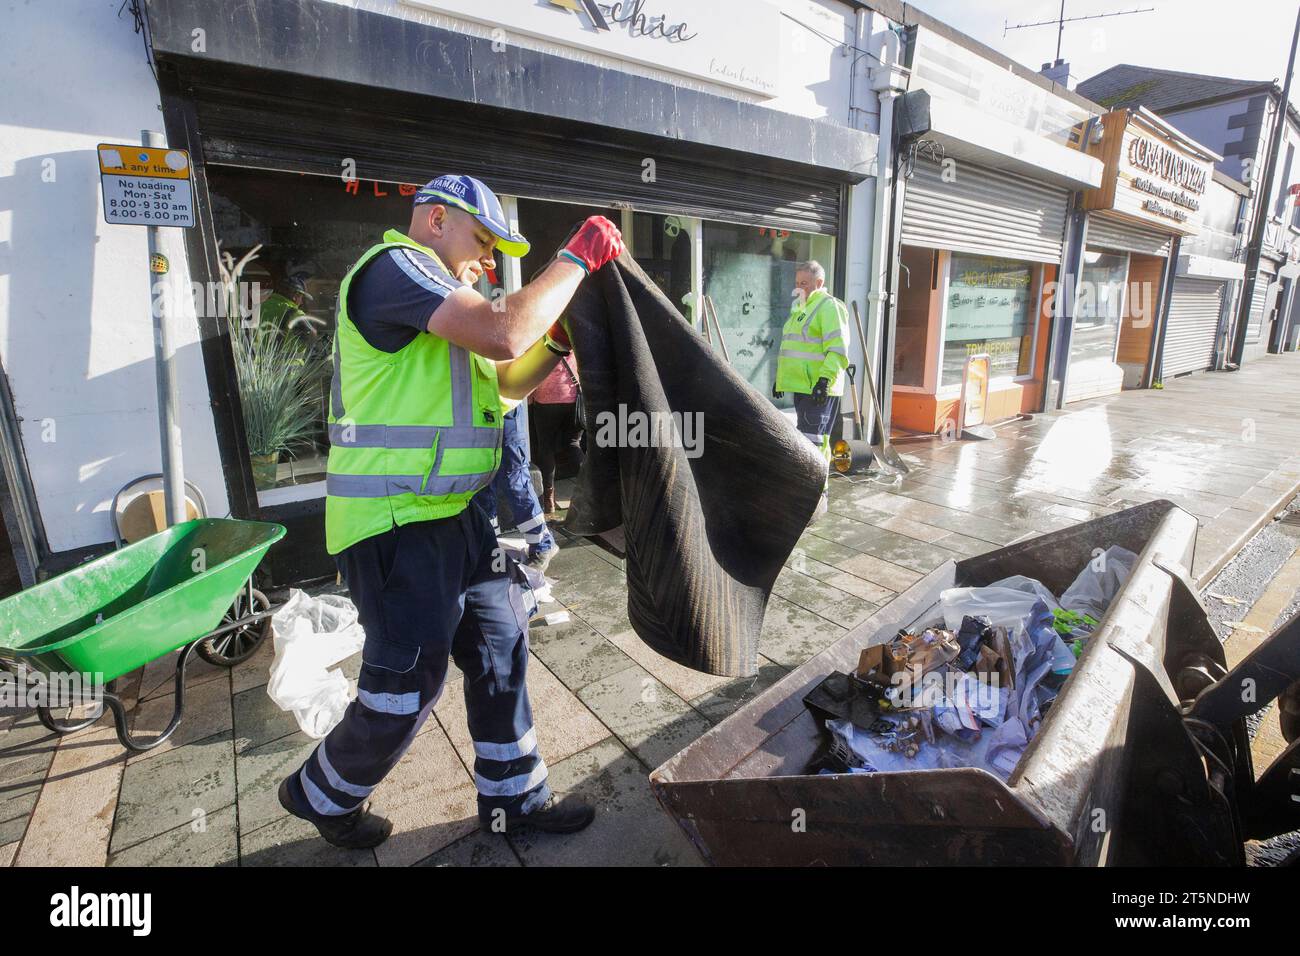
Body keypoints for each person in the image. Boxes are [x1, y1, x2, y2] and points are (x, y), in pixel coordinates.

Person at [277, 173, 623, 848]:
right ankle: (319, 793)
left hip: (461, 519)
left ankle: (515, 800)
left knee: (500, 651)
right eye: (484, 240)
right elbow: (501, 334)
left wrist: (552, 346)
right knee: (407, 684)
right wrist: (576, 257)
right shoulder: (395, 269)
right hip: (395, 526)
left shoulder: (443, 300)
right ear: (435, 219)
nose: (491, 260)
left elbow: (504, 380)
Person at [772, 260, 850, 504]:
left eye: (804, 283)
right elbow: (792, 349)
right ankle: (817, 489)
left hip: (818, 387)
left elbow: (837, 350)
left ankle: (811, 493)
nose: (799, 287)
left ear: (819, 283)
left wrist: (824, 380)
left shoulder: (829, 307)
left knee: (813, 442)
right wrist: (780, 380)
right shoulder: (801, 308)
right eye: (797, 283)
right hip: (803, 386)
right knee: (815, 441)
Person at [472, 395, 558, 572]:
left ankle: (542, 544)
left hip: (504, 410)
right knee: (483, 483)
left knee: (515, 480)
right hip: (479, 413)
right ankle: (491, 547)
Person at [528, 352, 584, 517]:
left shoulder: (539, 334)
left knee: (546, 447)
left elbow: (531, 369)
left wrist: (530, 399)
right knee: (573, 444)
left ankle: (549, 500)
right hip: (573, 396)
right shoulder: (571, 331)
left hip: (546, 396)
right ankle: (591, 489)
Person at [258, 274, 324, 335]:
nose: (301, 303)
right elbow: (306, 341)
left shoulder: (260, 307)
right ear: (296, 295)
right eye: (301, 298)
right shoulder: (296, 315)